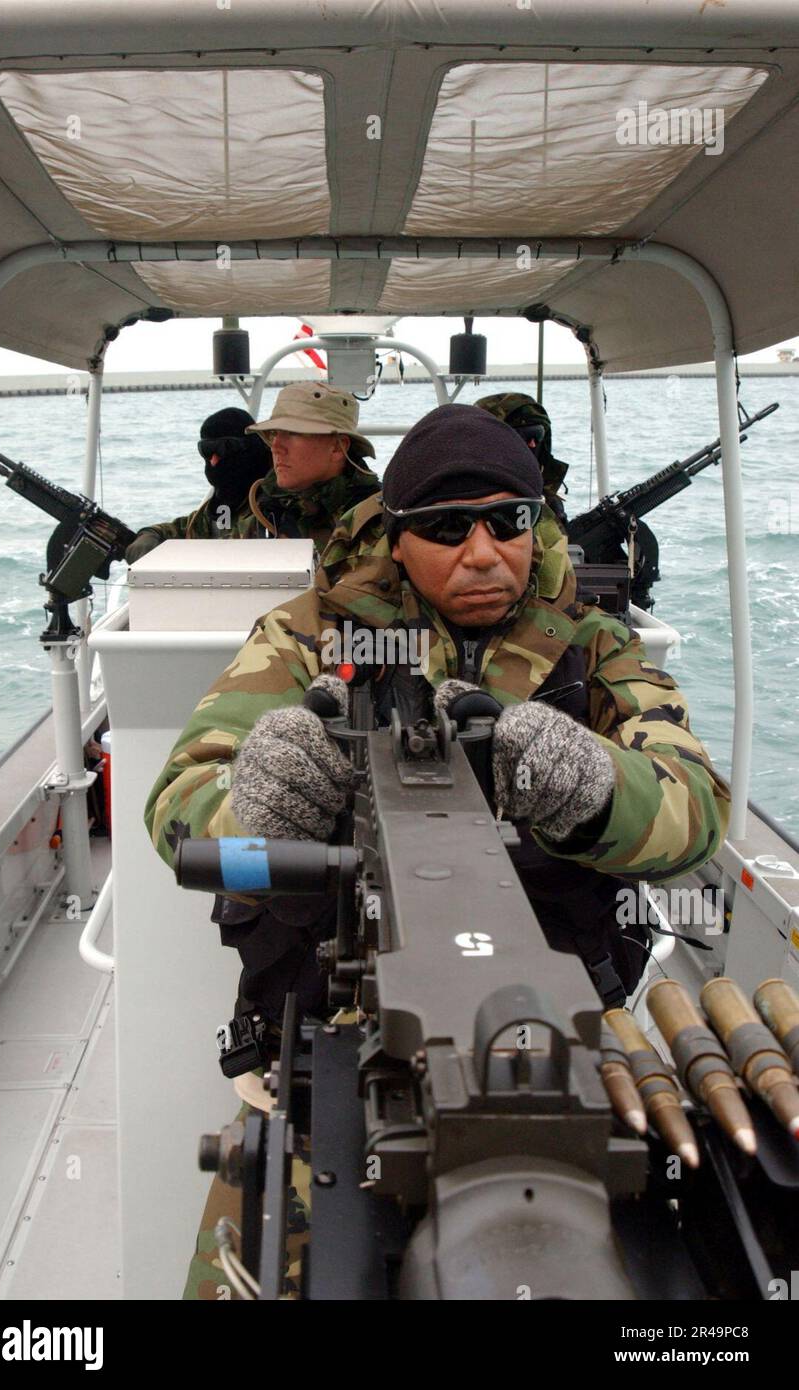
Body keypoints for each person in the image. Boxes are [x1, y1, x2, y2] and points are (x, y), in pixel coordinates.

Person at [145, 402, 730, 1295]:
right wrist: (253, 804)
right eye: (447, 528)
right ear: (397, 533)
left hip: (561, 1039)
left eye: (510, 521)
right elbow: (180, 802)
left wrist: (600, 787)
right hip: (333, 1031)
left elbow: (695, 806)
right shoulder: (310, 636)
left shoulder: (595, 646)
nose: (485, 551)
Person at [236, 381, 380, 551]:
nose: (276, 447)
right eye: (274, 433)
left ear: (337, 447)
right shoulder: (261, 512)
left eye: (292, 433)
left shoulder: (382, 519)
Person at [125, 407, 270, 562]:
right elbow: (187, 528)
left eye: (225, 448)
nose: (214, 461)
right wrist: (151, 535)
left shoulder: (274, 505)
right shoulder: (221, 507)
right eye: (207, 450)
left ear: (250, 449)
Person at [475, 390, 570, 523]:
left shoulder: (542, 492)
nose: (532, 444)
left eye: (538, 435)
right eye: (524, 435)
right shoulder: (472, 496)